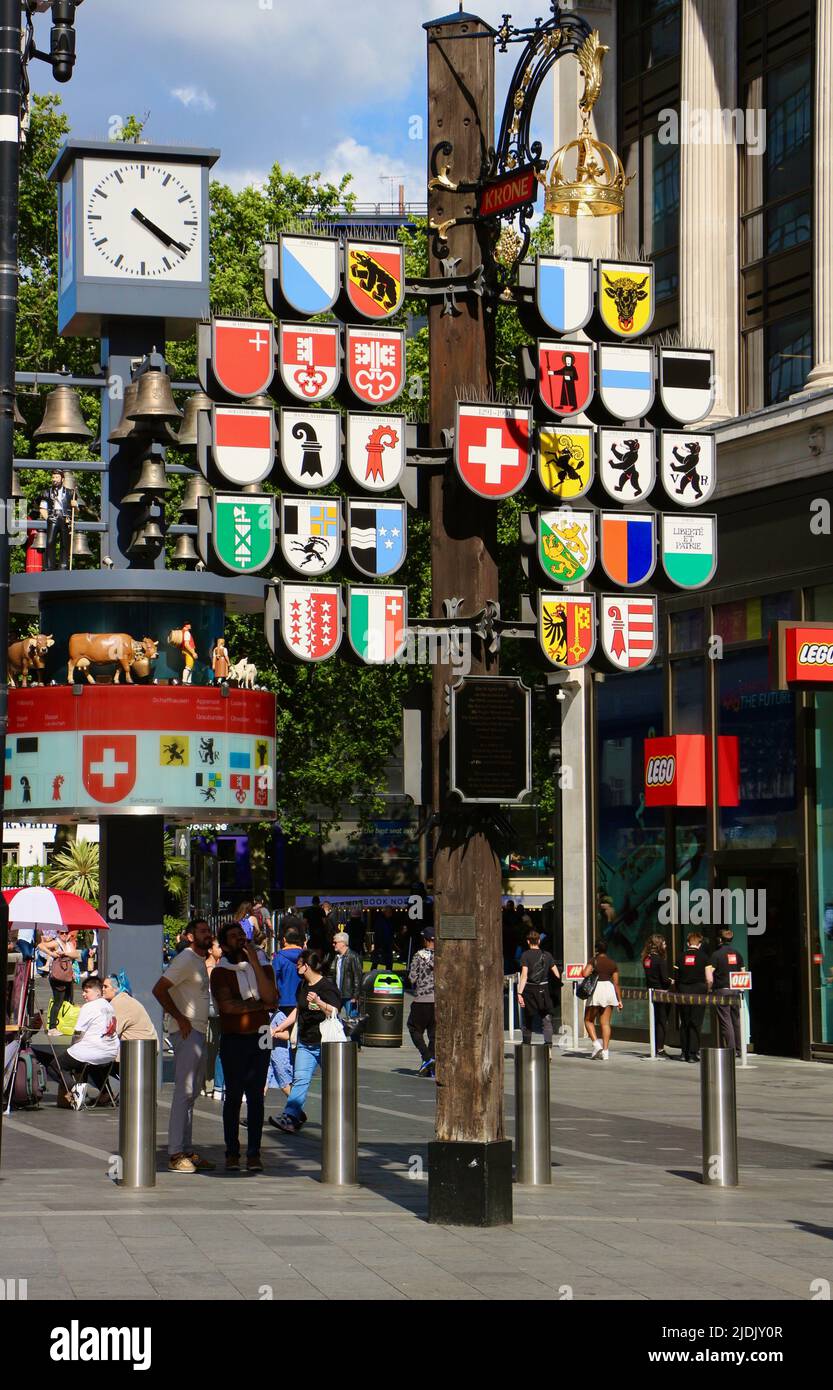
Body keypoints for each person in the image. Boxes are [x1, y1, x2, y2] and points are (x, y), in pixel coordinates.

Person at [210, 921, 277, 1173]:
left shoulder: (262, 966)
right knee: (234, 1096)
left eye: (242, 935)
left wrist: (256, 963)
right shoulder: (221, 972)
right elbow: (228, 1007)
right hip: (234, 1037)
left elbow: (272, 998)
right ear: (225, 944)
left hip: (261, 1035)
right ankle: (231, 1151)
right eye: (234, 937)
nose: (240, 939)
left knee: (257, 1096)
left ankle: (254, 1153)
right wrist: (259, 1005)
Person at [152, 917, 215, 1175]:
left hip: (199, 1031)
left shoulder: (198, 961)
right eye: (201, 931)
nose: (207, 934)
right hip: (187, 1032)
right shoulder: (186, 959)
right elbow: (159, 989)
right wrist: (179, 1017)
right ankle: (176, 1153)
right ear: (190, 936)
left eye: (208, 931)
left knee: (191, 1093)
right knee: (184, 1092)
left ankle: (186, 1149)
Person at [268, 949, 341, 1135]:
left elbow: (334, 1012)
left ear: (306, 966)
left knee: (335, 1083)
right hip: (306, 1043)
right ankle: (290, 1117)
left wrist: (319, 1002)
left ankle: (341, 1117)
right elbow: (297, 1011)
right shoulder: (302, 985)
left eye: (298, 964)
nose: (296, 967)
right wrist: (279, 1027)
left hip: (326, 1043)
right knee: (300, 1080)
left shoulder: (326, 987)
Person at [34, 976, 119, 1108]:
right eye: (83, 991)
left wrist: (72, 1048)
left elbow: (77, 1033)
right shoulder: (108, 1006)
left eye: (87, 991)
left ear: (97, 992)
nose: (84, 994)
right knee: (91, 1065)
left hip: (93, 1049)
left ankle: (75, 1095)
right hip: (110, 1051)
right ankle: (104, 1094)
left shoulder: (88, 1007)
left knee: (54, 1066)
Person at [517, 928, 561, 1051]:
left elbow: (524, 975)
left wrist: (519, 993)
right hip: (544, 989)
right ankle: (548, 1047)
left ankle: (526, 1046)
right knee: (546, 1018)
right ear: (539, 941)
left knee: (528, 1018)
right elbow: (557, 975)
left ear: (528, 941)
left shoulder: (525, 955)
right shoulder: (547, 955)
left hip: (529, 990)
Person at [706, 928, 745, 1058]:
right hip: (736, 990)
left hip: (722, 990)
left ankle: (731, 1049)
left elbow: (709, 974)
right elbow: (742, 972)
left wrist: (709, 988)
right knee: (736, 1020)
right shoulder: (737, 954)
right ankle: (740, 1048)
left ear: (720, 939)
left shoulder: (716, 955)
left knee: (725, 1020)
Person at [582, 939, 623, 1061]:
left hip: (597, 990)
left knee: (588, 1020)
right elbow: (616, 984)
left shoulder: (593, 960)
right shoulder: (612, 963)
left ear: (596, 949)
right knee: (605, 1023)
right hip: (609, 990)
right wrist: (619, 1000)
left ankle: (596, 1044)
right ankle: (605, 1052)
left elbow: (584, 974)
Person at [675, 930, 711, 1063]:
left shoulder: (680, 957)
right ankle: (693, 1053)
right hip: (699, 992)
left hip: (683, 992)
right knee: (696, 1023)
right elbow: (709, 978)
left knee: (684, 1022)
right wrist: (708, 989)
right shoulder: (704, 957)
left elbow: (676, 978)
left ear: (687, 943)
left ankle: (684, 1053)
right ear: (700, 944)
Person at [39, 927, 81, 1034]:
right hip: (58, 977)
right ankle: (52, 1028)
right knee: (58, 1001)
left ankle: (63, 1024)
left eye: (66, 933)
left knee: (68, 1001)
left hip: (67, 977)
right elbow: (40, 945)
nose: (64, 935)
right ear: (58, 933)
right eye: (61, 933)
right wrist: (51, 953)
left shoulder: (69, 944)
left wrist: (65, 954)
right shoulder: (56, 943)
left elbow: (76, 954)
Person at [407, 926, 435, 1076]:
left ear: (426, 940)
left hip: (422, 999)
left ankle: (427, 1057)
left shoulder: (419, 956)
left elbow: (412, 977)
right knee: (434, 1034)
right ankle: (430, 1067)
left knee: (413, 1028)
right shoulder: (443, 955)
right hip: (437, 1000)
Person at [642, 933, 674, 1057]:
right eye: (664, 943)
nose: (666, 946)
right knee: (662, 1021)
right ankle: (660, 1048)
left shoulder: (646, 959)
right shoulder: (660, 960)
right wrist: (671, 981)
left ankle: (655, 1047)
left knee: (655, 1021)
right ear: (659, 944)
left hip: (651, 992)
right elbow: (665, 979)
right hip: (662, 993)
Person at [39, 467, 77, 571]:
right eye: (53, 477)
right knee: (50, 541)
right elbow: (42, 508)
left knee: (65, 543)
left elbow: (76, 512)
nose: (54, 479)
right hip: (53, 517)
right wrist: (48, 518)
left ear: (63, 479)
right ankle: (49, 566)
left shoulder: (70, 493)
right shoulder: (47, 492)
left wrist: (75, 506)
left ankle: (63, 566)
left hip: (65, 518)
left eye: (57, 477)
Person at [101, 976, 157, 1045]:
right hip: (145, 1047)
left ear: (115, 989)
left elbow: (109, 1033)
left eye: (106, 987)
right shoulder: (126, 999)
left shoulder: (120, 1002)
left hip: (138, 1049)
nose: (102, 989)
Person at [203, 937, 224, 1100]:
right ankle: (208, 1083)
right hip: (212, 1013)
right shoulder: (210, 968)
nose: (221, 949)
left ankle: (208, 1083)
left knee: (212, 1048)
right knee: (212, 1049)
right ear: (210, 950)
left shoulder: (217, 965)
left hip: (213, 1012)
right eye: (218, 946)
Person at [331, 931, 363, 1031]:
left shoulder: (353, 956)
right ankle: (338, 1039)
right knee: (333, 1017)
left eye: (335, 942)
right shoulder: (337, 957)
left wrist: (355, 995)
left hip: (349, 995)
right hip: (338, 994)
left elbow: (358, 977)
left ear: (343, 943)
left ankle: (356, 1043)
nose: (333, 944)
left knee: (352, 1020)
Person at [273, 916, 305, 1012]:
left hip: (284, 1000)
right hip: (303, 999)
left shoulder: (279, 958)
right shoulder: (306, 956)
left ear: (284, 940)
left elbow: (274, 978)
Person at [372, 905, 395, 971]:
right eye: (389, 912)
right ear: (385, 912)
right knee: (377, 962)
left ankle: (388, 975)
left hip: (386, 945)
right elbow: (379, 934)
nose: (391, 913)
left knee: (379, 963)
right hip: (382, 945)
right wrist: (380, 946)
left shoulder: (388, 921)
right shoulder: (382, 921)